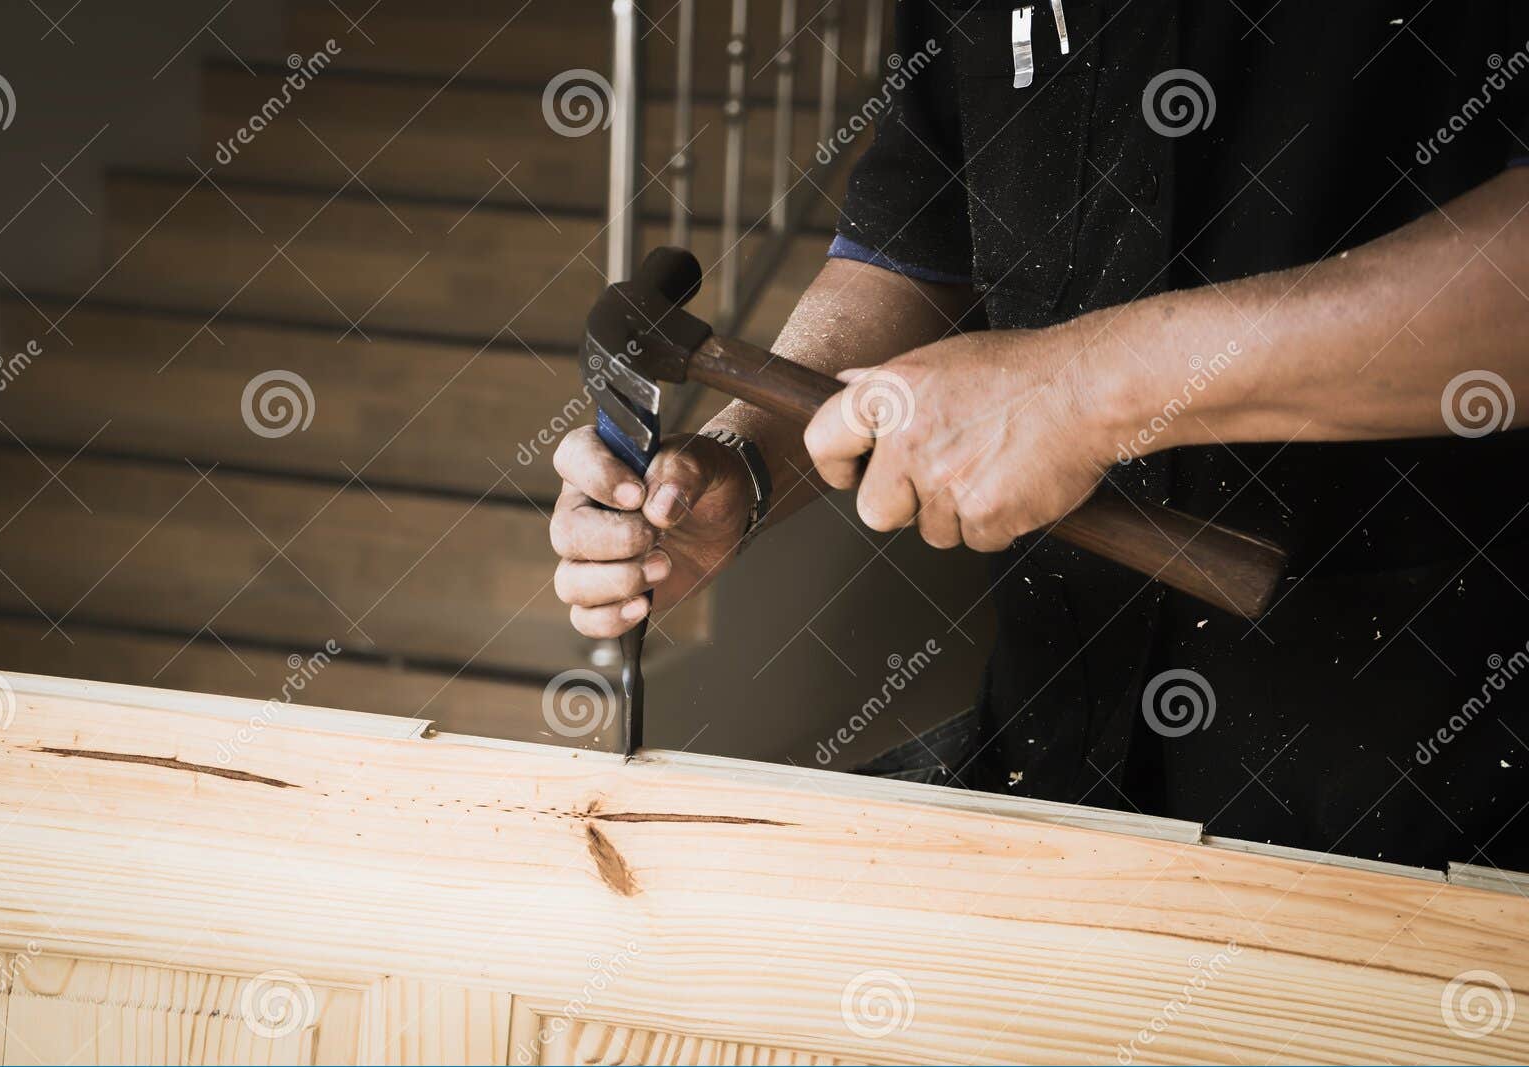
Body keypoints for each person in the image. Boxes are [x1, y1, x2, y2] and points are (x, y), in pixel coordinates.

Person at [549, 2, 1529, 872]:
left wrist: (1083, 388)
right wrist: (744, 461)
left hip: (1435, 777)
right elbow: (919, 236)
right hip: (1056, 738)